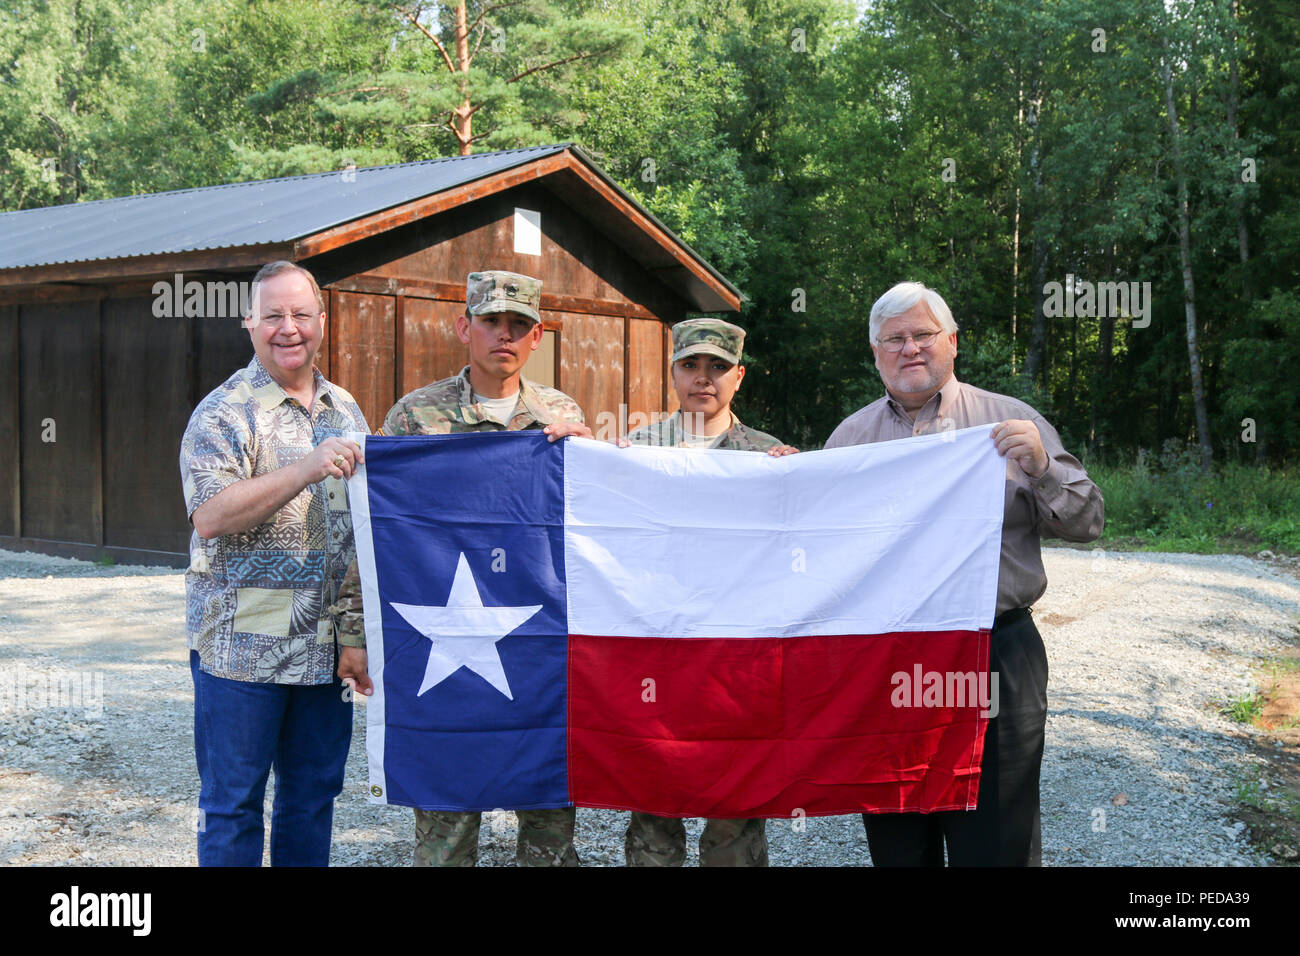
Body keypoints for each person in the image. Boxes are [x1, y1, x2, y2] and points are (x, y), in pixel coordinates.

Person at [824, 280, 1104, 866]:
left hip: (995, 649)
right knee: (901, 840)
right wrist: (782, 483)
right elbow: (818, 550)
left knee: (997, 834)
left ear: (952, 341)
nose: (910, 349)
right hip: (888, 659)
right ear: (875, 352)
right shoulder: (850, 441)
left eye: (923, 334)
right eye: (893, 339)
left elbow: (1088, 522)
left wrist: (1043, 465)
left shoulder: (1010, 422)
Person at [335, 270, 592, 867]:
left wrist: (595, 454)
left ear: (537, 338)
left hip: (536, 644)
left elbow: (590, 530)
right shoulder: (415, 417)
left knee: (549, 813)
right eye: (491, 322)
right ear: (464, 328)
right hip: (440, 638)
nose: (504, 335)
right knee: (446, 806)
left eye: (519, 326)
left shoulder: (560, 415)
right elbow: (373, 533)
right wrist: (354, 632)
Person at [179, 260, 368, 866]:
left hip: (324, 647)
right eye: (274, 316)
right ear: (250, 323)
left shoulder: (347, 410)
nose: (289, 328)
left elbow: (361, 535)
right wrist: (305, 468)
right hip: (242, 651)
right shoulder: (225, 413)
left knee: (312, 799)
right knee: (234, 804)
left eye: (301, 314)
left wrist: (356, 635)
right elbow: (209, 514)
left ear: (322, 321)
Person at [621, 317, 797, 866]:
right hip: (658, 653)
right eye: (691, 365)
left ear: (739, 376)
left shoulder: (770, 457)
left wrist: (800, 486)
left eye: (718, 367)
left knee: (736, 813)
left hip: (737, 659)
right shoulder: (633, 452)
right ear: (672, 372)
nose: (704, 378)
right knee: (654, 807)